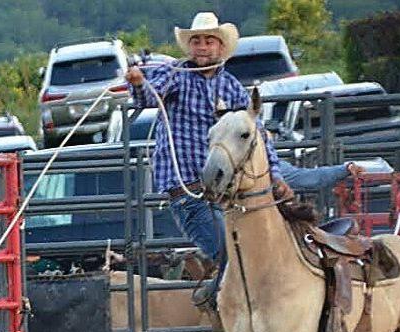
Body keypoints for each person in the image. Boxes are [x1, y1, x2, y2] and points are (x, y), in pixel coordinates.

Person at [125, 12, 291, 309]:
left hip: (225, 192)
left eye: (208, 41)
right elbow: (150, 97)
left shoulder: (232, 88)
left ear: (219, 47)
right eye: (197, 41)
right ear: (190, 47)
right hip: (188, 190)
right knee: (228, 252)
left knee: (248, 252)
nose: (202, 47)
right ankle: (221, 302)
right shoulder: (175, 75)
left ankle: (229, 303)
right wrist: (138, 83)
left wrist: (274, 174)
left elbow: (258, 136)